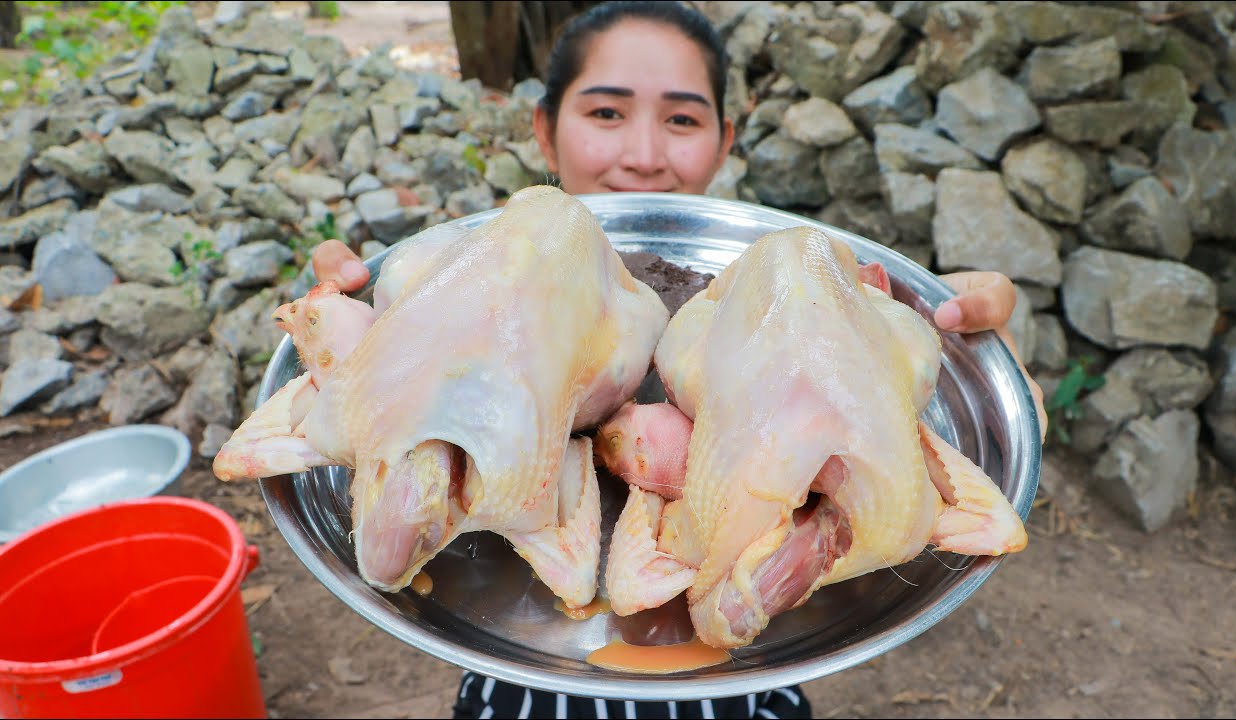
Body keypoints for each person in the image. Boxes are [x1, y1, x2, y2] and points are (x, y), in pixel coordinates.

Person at [309, 3, 1047, 718]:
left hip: (750, 690)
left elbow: (913, 458)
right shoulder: (466, 268)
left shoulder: (742, 293)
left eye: (682, 119)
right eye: (605, 112)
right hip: (515, 690)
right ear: (543, 127)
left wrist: (975, 366)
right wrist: (345, 326)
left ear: (726, 140)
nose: (643, 152)